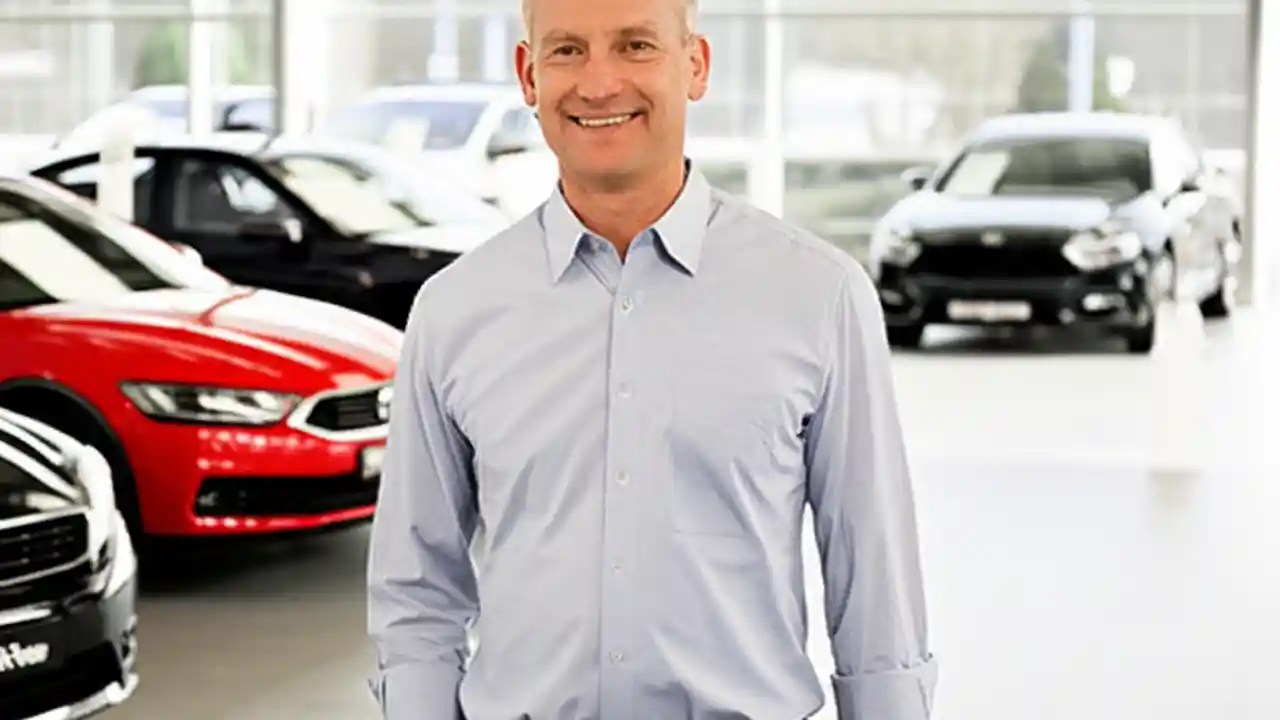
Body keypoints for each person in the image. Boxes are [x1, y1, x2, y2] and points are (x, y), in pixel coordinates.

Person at [366, 0, 937, 717]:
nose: (599, 84)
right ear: (527, 74)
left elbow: (872, 566)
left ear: (695, 65)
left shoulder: (818, 295)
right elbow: (416, 583)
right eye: (567, 50)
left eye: (635, 45)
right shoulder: (455, 309)